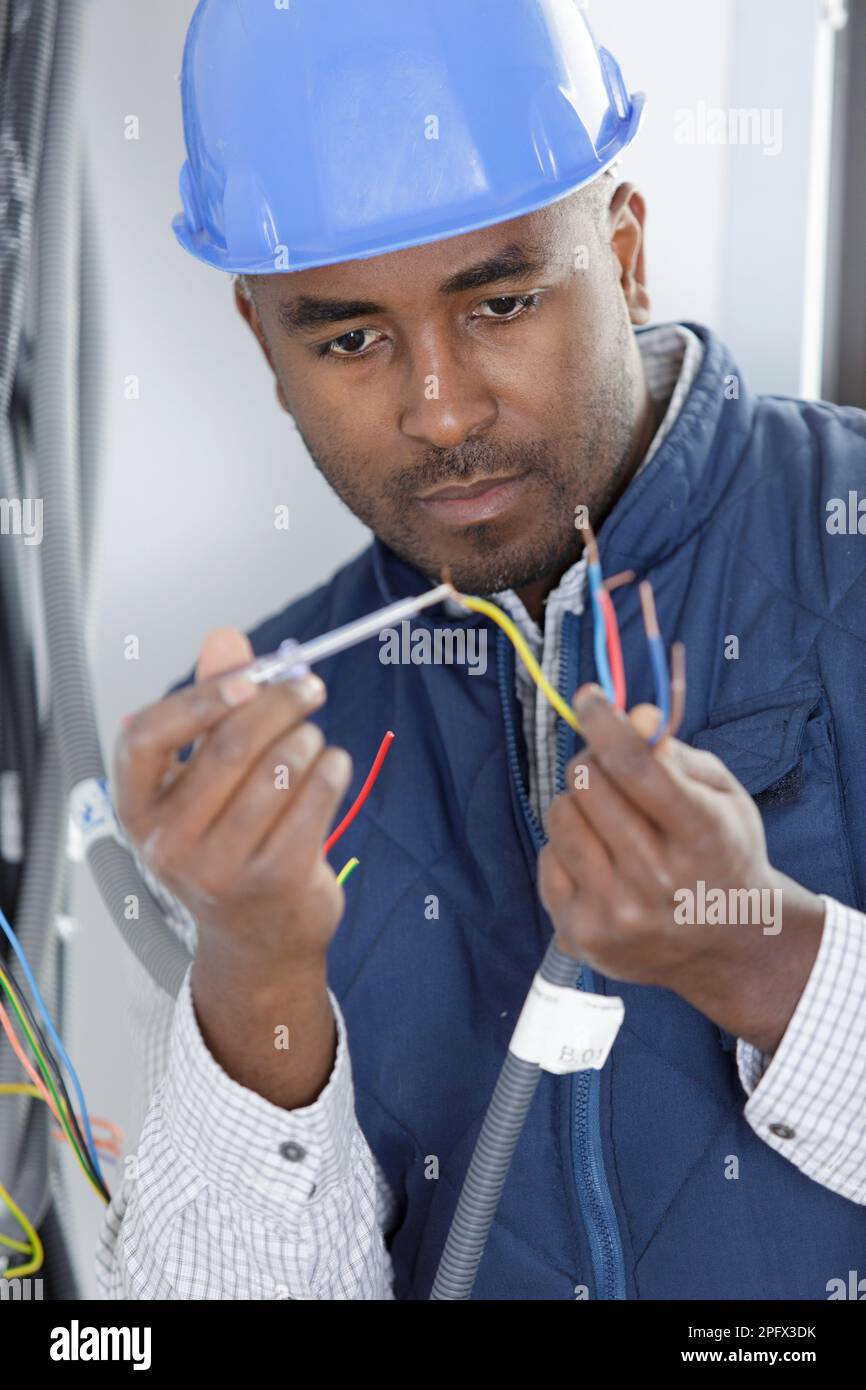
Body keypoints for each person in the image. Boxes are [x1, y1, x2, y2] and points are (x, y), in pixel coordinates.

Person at [98, 0, 866, 1300]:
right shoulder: (260, 754)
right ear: (262, 344)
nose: (439, 408)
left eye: (500, 301)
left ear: (623, 254)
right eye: (346, 337)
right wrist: (255, 971)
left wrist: (752, 947)